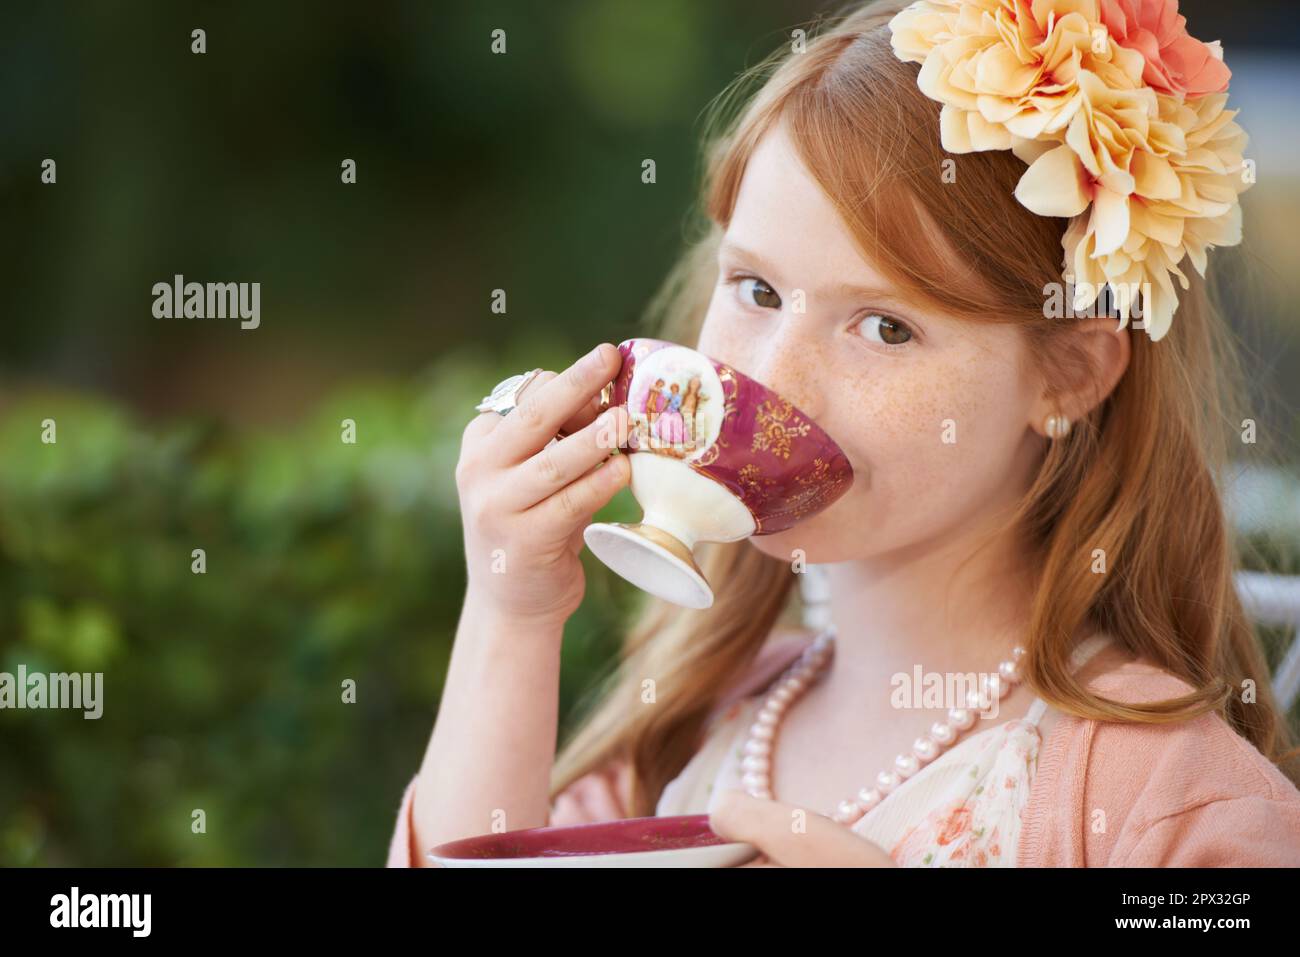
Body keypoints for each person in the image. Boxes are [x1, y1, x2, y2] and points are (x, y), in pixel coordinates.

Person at [388, 0, 1300, 867]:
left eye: (886, 327)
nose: (774, 378)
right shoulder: (694, 728)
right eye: (756, 290)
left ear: (1069, 374)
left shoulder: (1178, 802)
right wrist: (512, 617)